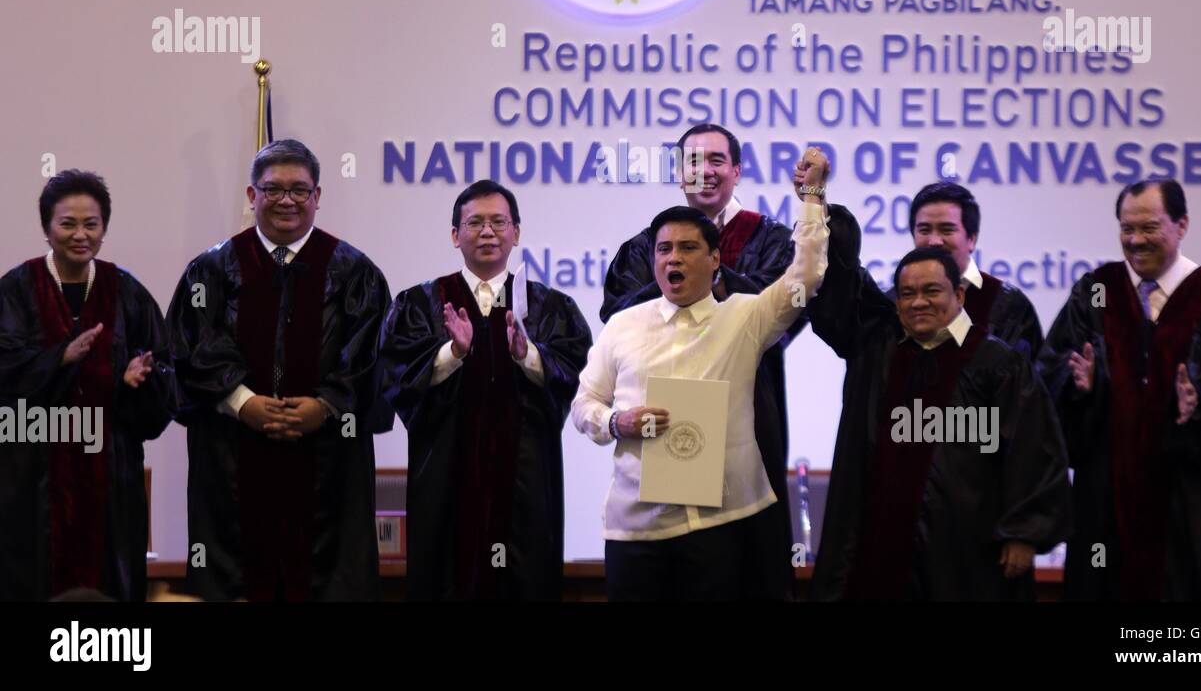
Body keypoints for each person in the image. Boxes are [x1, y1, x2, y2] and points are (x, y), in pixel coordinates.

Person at [573, 147, 829, 600]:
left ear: (715, 261)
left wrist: (811, 196)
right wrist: (616, 422)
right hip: (636, 530)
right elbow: (584, 405)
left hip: (720, 524)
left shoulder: (745, 318)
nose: (675, 259)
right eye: (665, 249)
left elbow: (806, 275)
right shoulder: (623, 324)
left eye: (689, 248)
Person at [167, 139, 391, 601]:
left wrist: (326, 406)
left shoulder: (355, 272)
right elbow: (190, 351)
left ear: (318, 196)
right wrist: (242, 402)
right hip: (233, 458)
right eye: (273, 189)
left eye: (299, 190)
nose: (286, 200)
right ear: (252, 196)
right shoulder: (210, 270)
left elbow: (371, 358)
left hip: (328, 466)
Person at [809, 209, 1071, 600]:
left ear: (960, 294)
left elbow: (1034, 451)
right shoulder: (880, 356)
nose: (919, 303)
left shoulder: (998, 364)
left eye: (932, 291)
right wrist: (817, 203)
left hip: (968, 552)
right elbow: (838, 293)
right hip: (883, 546)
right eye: (907, 294)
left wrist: (1024, 533)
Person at [1036, 178, 1201, 600]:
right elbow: (1049, 377)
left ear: (1182, 225)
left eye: (1149, 227)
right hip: (1104, 505)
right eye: (1126, 228)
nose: (1136, 240)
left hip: (1181, 508)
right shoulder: (1097, 290)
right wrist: (1079, 387)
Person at [380, 180, 592, 600]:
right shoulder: (421, 304)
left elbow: (577, 375)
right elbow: (396, 379)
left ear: (517, 232)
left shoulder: (549, 307)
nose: (488, 231)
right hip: (444, 476)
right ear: (455, 235)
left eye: (499, 222)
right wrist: (452, 353)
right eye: (474, 222)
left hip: (526, 480)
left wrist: (527, 354)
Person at [0, 169, 176, 601]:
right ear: (46, 228)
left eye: (91, 224)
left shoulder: (127, 292)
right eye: (67, 223)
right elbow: (4, 370)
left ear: (104, 228)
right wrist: (59, 358)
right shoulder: (16, 291)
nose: (80, 234)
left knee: (110, 579)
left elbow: (166, 370)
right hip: (33, 473)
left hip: (110, 473)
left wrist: (141, 378)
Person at [895, 182, 1042, 361]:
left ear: (971, 239)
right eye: (924, 230)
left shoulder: (1007, 305)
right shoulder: (893, 303)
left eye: (946, 229)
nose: (934, 241)